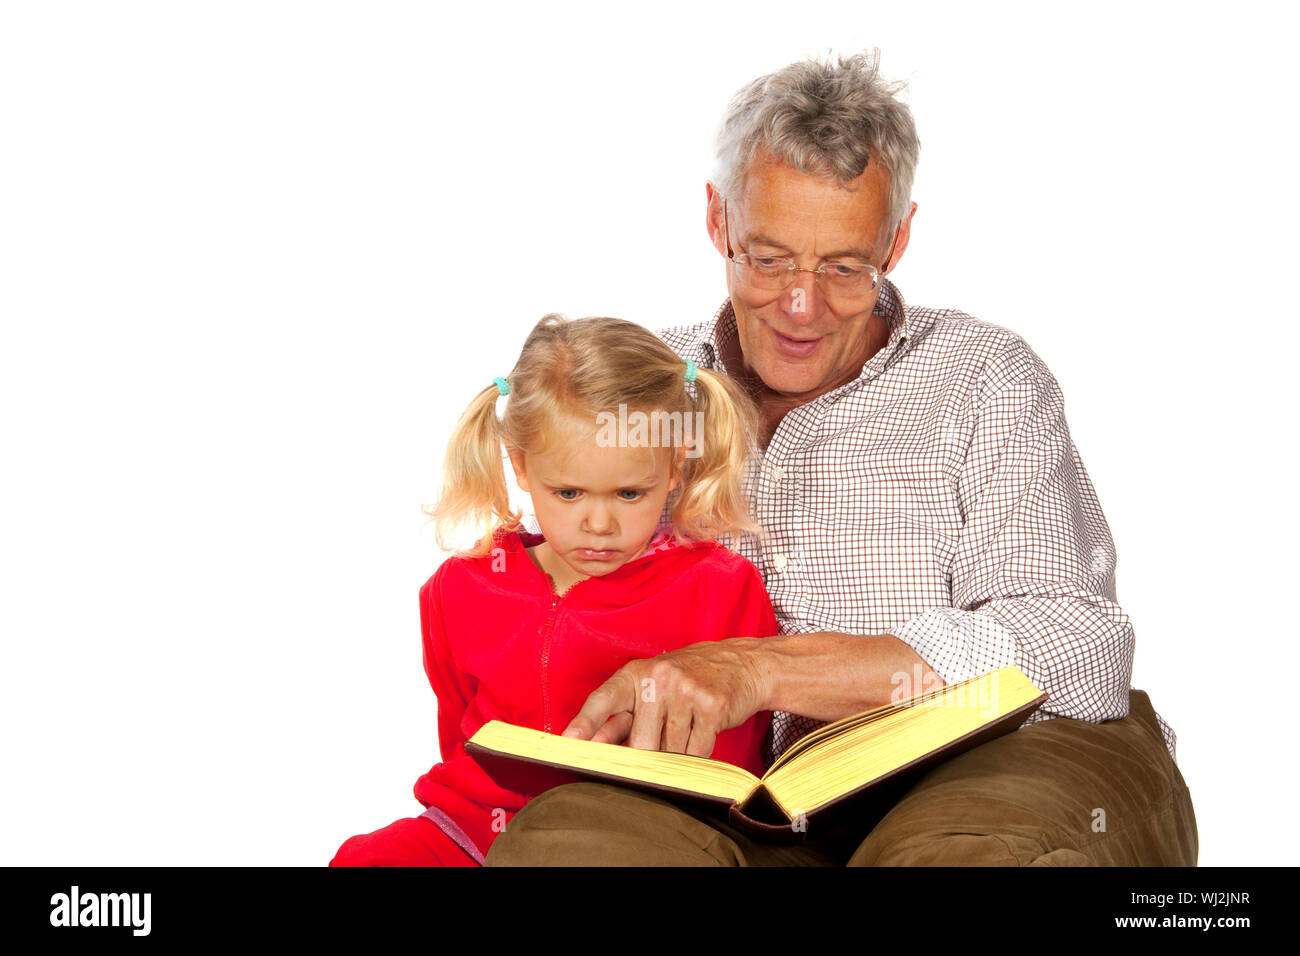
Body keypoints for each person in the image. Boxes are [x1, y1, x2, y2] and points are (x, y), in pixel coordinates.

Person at [484, 52, 1198, 866]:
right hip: (729, 800)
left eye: (844, 268)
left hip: (991, 762)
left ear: (897, 240)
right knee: (568, 851)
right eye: (769, 257)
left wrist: (760, 672)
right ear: (717, 220)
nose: (801, 305)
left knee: (975, 854)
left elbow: (1076, 643)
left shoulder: (985, 375)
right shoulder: (641, 389)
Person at [330, 314, 778, 865]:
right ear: (520, 466)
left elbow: (730, 768)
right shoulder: (462, 587)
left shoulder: (718, 588)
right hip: (469, 828)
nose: (597, 523)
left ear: (674, 469)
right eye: (568, 492)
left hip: (629, 835)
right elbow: (459, 735)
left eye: (628, 493)